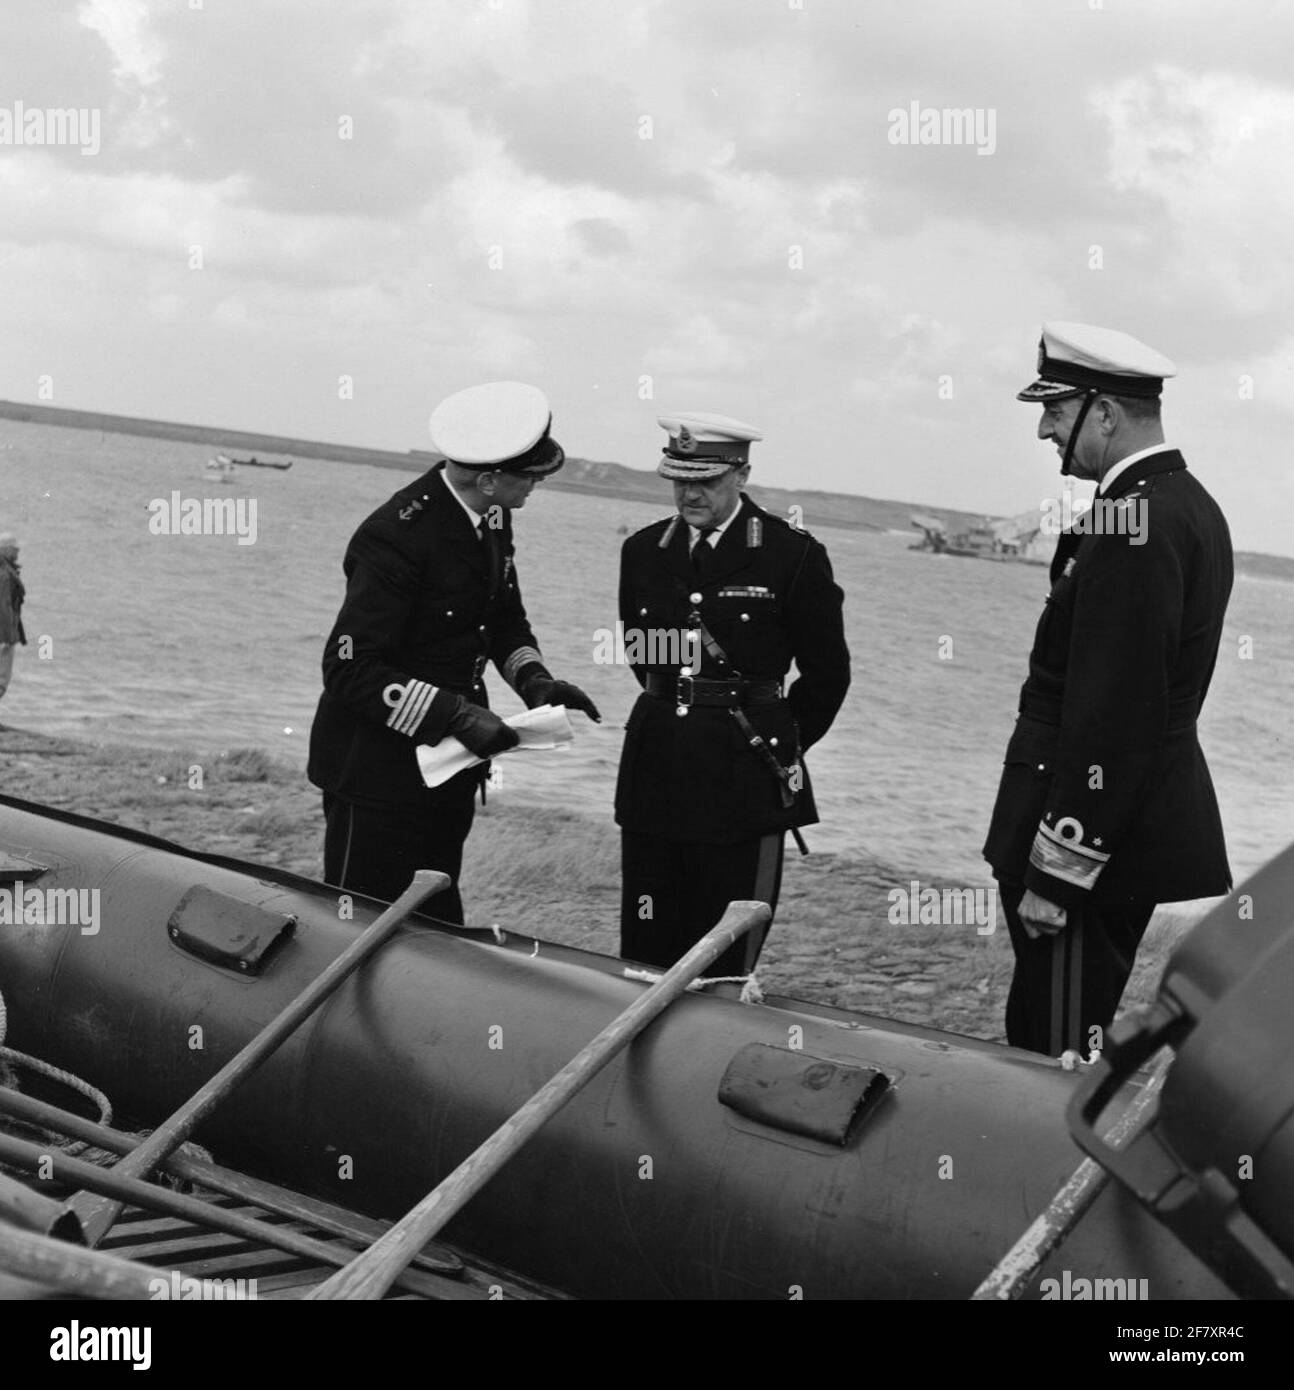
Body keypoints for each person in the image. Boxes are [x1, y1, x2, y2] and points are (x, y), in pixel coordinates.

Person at [983, 323, 1233, 1056]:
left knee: (1053, 1050)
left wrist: (1059, 875)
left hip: (1094, 847)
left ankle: (1056, 1172)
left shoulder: (1138, 522)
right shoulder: (1175, 504)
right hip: (1118, 832)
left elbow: (1115, 715)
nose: (1043, 431)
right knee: (1054, 1035)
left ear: (1106, 414)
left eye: (1055, 412)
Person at [308, 381, 600, 921]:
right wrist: (458, 714)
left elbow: (501, 618)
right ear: (489, 479)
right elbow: (350, 668)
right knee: (364, 922)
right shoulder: (396, 536)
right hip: (376, 773)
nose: (536, 485)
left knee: (434, 922)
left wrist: (534, 679)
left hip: (449, 769)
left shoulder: (490, 517)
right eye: (529, 476)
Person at [615, 412, 851, 977]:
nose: (690, 492)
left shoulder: (791, 555)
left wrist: (777, 743)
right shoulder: (644, 550)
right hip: (657, 767)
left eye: (706, 480)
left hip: (743, 779)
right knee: (646, 952)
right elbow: (642, 659)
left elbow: (827, 674)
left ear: (741, 475)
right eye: (679, 478)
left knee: (724, 957)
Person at [0, 535, 26, 705]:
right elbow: (4, 606)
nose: (17, 551)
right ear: (6, 549)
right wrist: (9, 637)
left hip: (6, 630)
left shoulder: (6, 570)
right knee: (2, 678)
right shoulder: (4, 574)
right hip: (4, 633)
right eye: (14, 548)